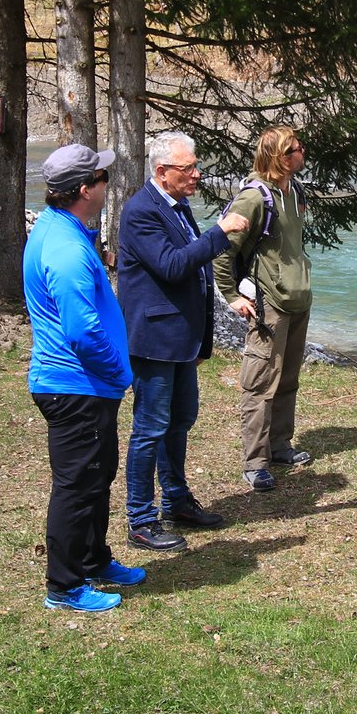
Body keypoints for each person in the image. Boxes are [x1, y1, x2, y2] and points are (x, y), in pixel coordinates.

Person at [24, 143, 145, 612]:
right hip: (76, 386)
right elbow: (82, 331)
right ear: (83, 190)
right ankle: (65, 586)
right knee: (77, 485)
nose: (106, 184)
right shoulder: (67, 248)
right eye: (101, 178)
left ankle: (94, 559)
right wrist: (119, 371)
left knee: (96, 477)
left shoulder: (62, 229)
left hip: (84, 385)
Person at [116, 132, 251, 551]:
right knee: (150, 428)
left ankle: (176, 501)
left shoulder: (177, 205)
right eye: (187, 168)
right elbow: (173, 265)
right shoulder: (141, 211)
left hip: (180, 337)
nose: (196, 175)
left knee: (180, 420)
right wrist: (219, 232)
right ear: (162, 172)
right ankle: (141, 519)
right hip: (154, 338)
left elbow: (192, 266)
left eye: (196, 167)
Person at [212, 125, 314, 492]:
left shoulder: (295, 190)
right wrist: (232, 296)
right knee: (259, 383)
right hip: (269, 306)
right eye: (295, 149)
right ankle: (255, 462)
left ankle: (280, 445)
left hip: (298, 300)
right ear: (279, 157)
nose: (302, 153)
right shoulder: (254, 198)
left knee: (288, 378)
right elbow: (222, 250)